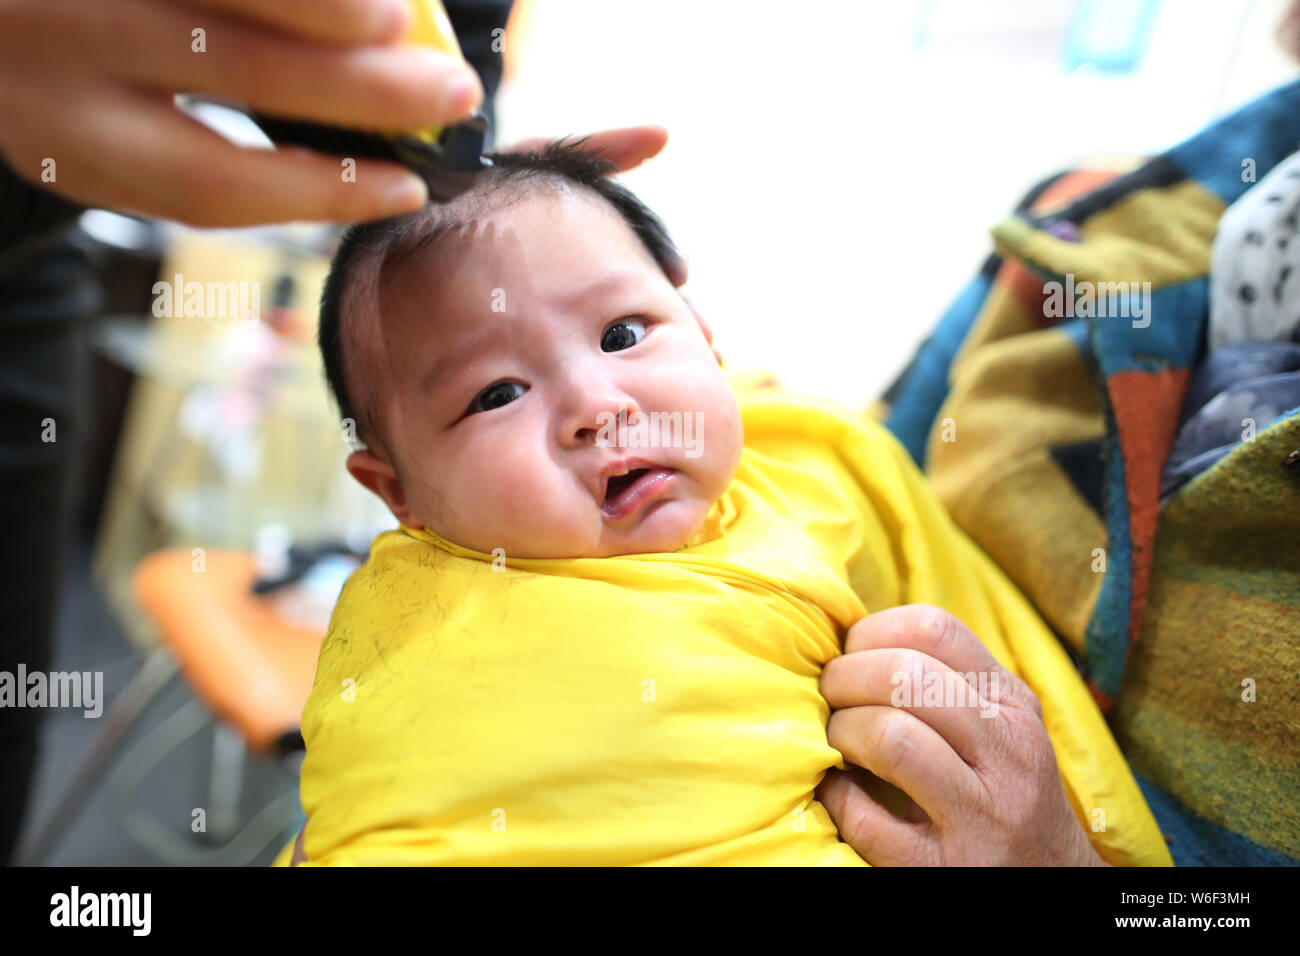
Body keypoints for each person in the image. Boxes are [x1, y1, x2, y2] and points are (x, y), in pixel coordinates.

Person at [284, 139, 1172, 866]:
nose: (598, 406)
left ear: (704, 338)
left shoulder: (817, 469)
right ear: (402, 496)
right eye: (497, 394)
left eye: (623, 334)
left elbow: (977, 633)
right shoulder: (422, 637)